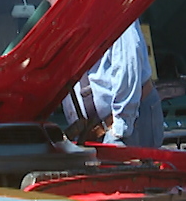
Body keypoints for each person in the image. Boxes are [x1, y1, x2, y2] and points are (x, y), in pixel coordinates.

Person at [62, 19, 164, 148]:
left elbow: (128, 64)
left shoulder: (109, 8)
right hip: (90, 134)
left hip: (127, 125)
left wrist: (119, 131)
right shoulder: (63, 19)